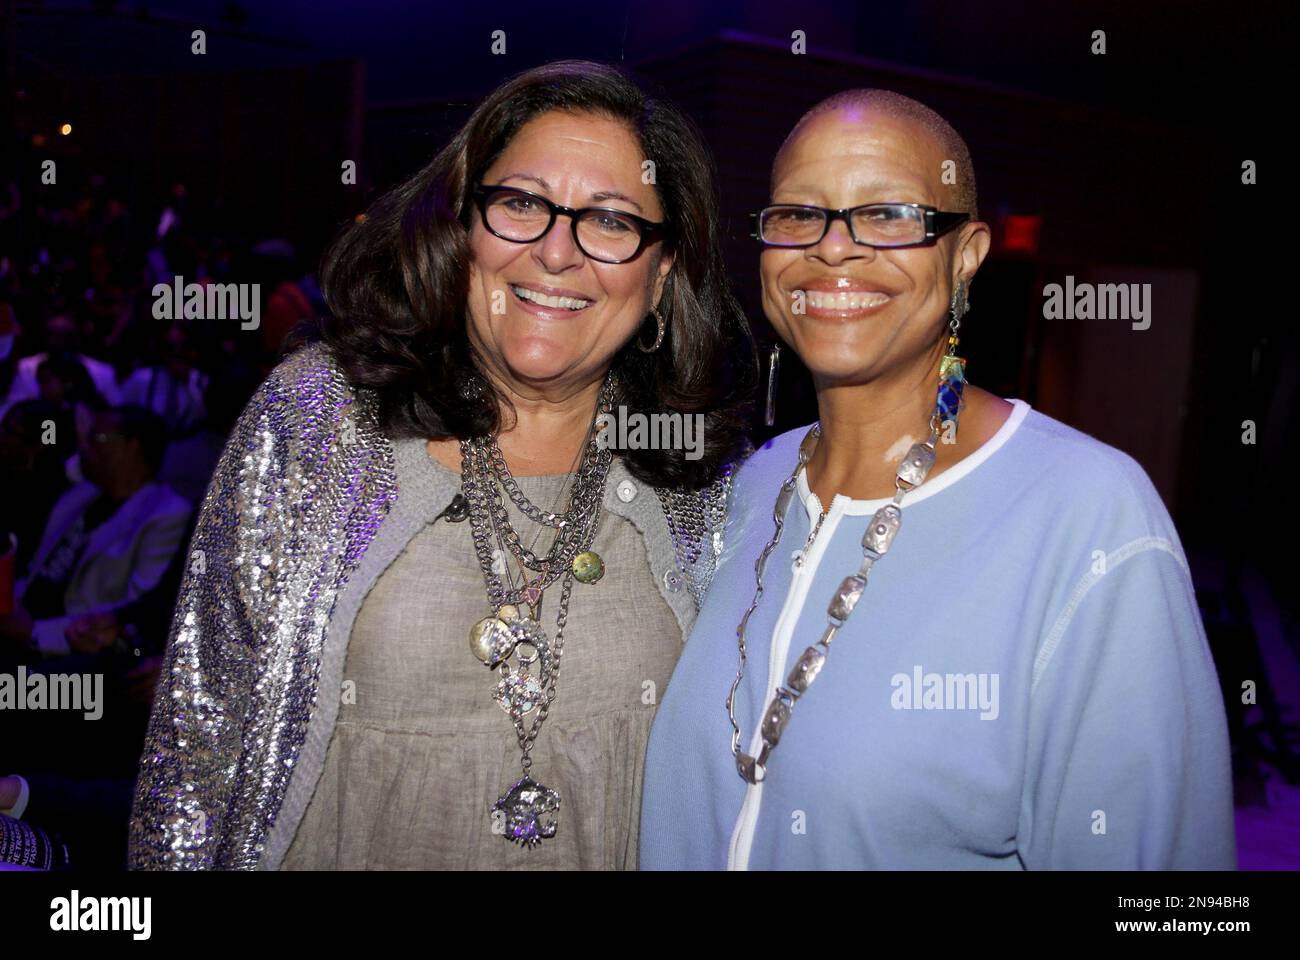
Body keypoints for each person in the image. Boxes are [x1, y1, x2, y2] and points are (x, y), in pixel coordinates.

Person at [127, 60, 756, 870]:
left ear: (662, 271)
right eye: (521, 203)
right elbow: (196, 744)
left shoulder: (702, 480)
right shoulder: (319, 421)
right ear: (462, 226)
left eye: (610, 221)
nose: (557, 252)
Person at [640, 89, 1236, 870]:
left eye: (889, 214)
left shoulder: (1085, 513)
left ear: (966, 256)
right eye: (797, 215)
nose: (833, 249)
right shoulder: (748, 485)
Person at [3, 405, 190, 657]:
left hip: (74, 653)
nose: (84, 448)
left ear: (131, 447)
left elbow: (134, 609)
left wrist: (36, 632)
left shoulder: (167, 514)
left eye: (96, 438)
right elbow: (37, 572)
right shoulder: (80, 495)